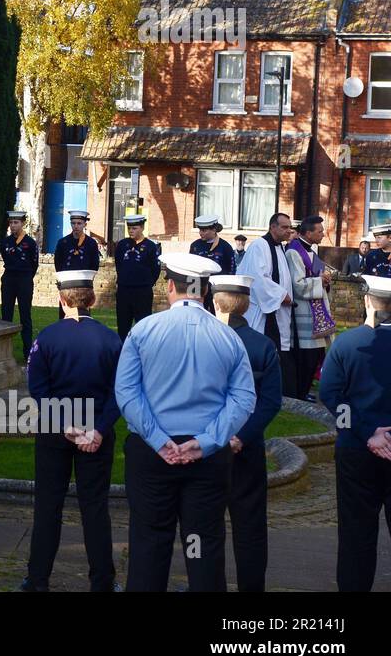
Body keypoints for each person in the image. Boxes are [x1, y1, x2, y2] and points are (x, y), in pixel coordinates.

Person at [114, 253, 255, 592]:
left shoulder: (143, 330)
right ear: (204, 292)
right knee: (201, 543)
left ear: (171, 286)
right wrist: (207, 441)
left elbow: (127, 392)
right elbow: (243, 399)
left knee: (150, 539)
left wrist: (158, 438)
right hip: (205, 457)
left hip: (153, 454)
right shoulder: (229, 338)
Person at [22, 269, 121, 592]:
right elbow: (119, 392)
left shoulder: (46, 338)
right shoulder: (111, 339)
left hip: (55, 430)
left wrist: (64, 424)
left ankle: (38, 580)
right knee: (95, 508)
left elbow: (38, 388)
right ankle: (102, 581)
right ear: (92, 300)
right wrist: (99, 430)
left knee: (48, 507)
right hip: (96, 432)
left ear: (62, 300)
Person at [318, 274, 391, 592]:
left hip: (355, 450)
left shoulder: (345, 344)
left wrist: (367, 434)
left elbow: (331, 395)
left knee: (355, 532)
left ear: (366, 301)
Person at [210, 273, 282, 593]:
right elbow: (270, 402)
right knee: (250, 526)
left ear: (215, 303)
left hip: (207, 447)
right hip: (247, 447)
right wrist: (242, 436)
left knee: (205, 526)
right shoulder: (263, 345)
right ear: (248, 304)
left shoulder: (202, 340)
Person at [241, 212, 301, 398]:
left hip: (278, 310)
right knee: (268, 350)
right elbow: (259, 279)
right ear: (272, 227)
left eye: (289, 227)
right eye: (284, 227)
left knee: (281, 351)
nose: (288, 230)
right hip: (264, 311)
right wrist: (284, 297)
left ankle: (281, 393)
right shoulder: (260, 246)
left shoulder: (279, 248)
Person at [285, 215, 335, 400]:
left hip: (314, 312)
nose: (323, 234)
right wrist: (319, 281)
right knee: (304, 357)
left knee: (315, 356)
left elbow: (316, 280)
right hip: (302, 315)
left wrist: (325, 281)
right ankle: (299, 393)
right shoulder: (294, 252)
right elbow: (296, 285)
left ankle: (304, 391)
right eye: (320, 231)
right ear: (308, 233)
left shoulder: (312, 252)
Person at [0, 210, 39, 362]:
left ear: (23, 223)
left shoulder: (30, 243)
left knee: (25, 316)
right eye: (11, 222)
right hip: (9, 279)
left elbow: (34, 263)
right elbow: (6, 258)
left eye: (16, 222)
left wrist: (26, 277)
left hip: (24, 280)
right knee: (6, 315)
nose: (13, 226)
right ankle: (5, 352)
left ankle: (27, 352)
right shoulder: (5, 242)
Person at [114, 214, 160, 340]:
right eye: (129, 228)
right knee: (123, 324)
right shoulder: (122, 245)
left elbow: (155, 269)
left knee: (143, 324)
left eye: (134, 228)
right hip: (124, 290)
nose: (131, 231)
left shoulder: (150, 246)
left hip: (142, 291)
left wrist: (146, 283)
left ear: (142, 228)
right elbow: (118, 264)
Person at [189, 214, 236, 311]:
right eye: (199, 230)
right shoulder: (195, 246)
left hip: (218, 290)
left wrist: (226, 291)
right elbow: (190, 269)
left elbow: (231, 270)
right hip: (197, 289)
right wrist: (191, 292)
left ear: (214, 230)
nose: (200, 233)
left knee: (218, 316)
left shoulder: (225, 247)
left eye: (204, 230)